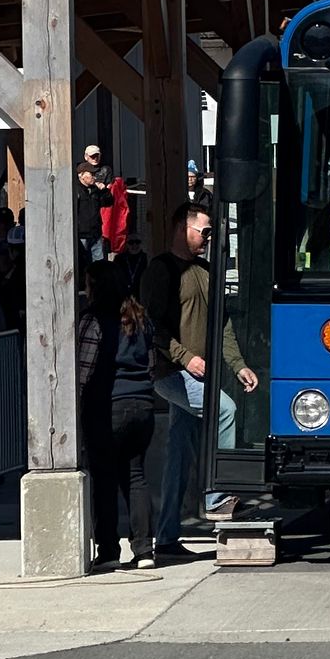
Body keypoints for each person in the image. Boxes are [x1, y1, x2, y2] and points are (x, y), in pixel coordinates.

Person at [144, 201, 257, 558]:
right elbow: (153, 328)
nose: (209, 237)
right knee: (224, 411)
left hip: (193, 373)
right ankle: (219, 497)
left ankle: (165, 539)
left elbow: (221, 324)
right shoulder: (160, 270)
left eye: (210, 232)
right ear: (182, 229)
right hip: (171, 373)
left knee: (177, 455)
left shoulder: (207, 270)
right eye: (204, 231)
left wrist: (238, 364)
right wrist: (185, 357)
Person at [78, 260, 158, 571]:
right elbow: (151, 364)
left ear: (93, 285)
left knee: (104, 480)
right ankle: (144, 550)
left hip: (107, 407)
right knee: (136, 477)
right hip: (142, 406)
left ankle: (109, 550)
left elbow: (83, 371)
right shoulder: (139, 317)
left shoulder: (94, 319)